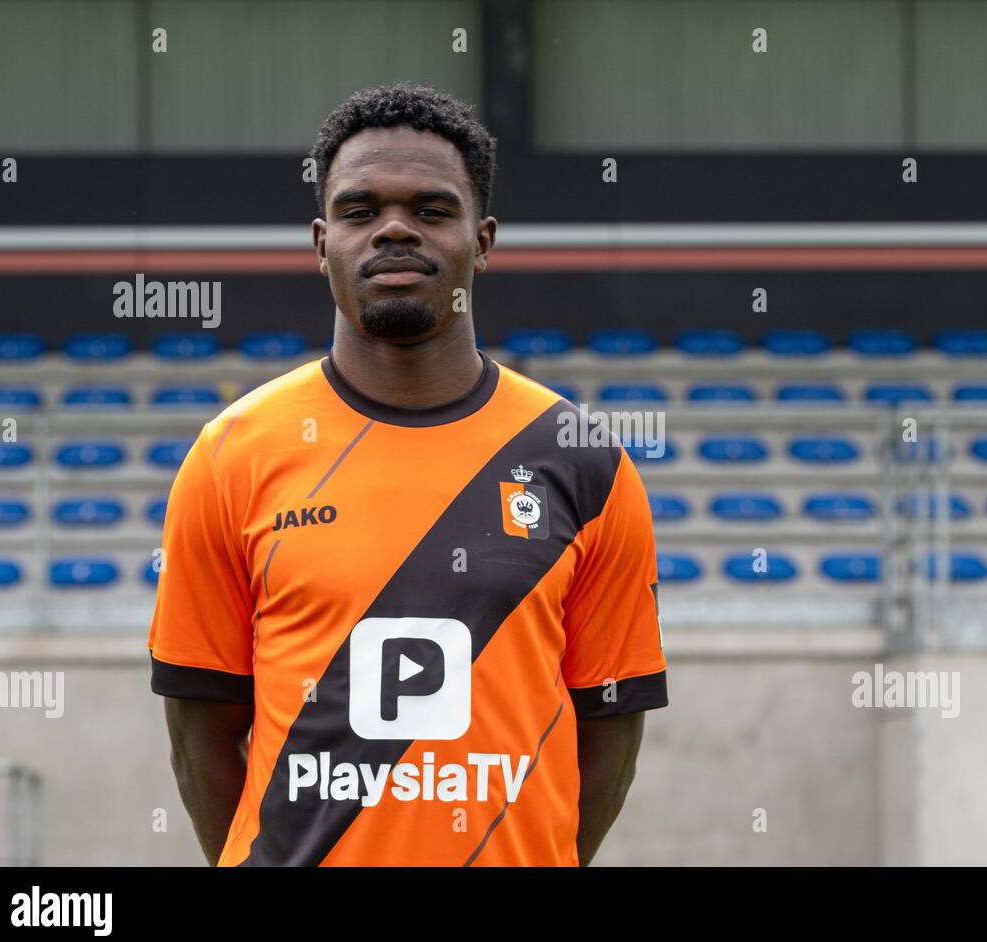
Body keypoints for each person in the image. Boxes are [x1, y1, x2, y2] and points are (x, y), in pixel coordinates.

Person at [148, 83, 668, 866]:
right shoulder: (232, 455)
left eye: (431, 210)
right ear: (321, 242)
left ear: (482, 239)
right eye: (360, 212)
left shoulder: (581, 459)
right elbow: (199, 733)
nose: (394, 229)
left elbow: (610, 735)